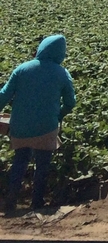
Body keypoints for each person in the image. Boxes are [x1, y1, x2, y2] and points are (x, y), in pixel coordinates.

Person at [1, 35, 75, 212]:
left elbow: (3, 95)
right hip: (46, 128)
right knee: (42, 164)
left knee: (20, 160)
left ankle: (12, 199)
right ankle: (37, 202)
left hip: (20, 127)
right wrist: (59, 115)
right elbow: (70, 102)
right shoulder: (62, 73)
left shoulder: (22, 69)